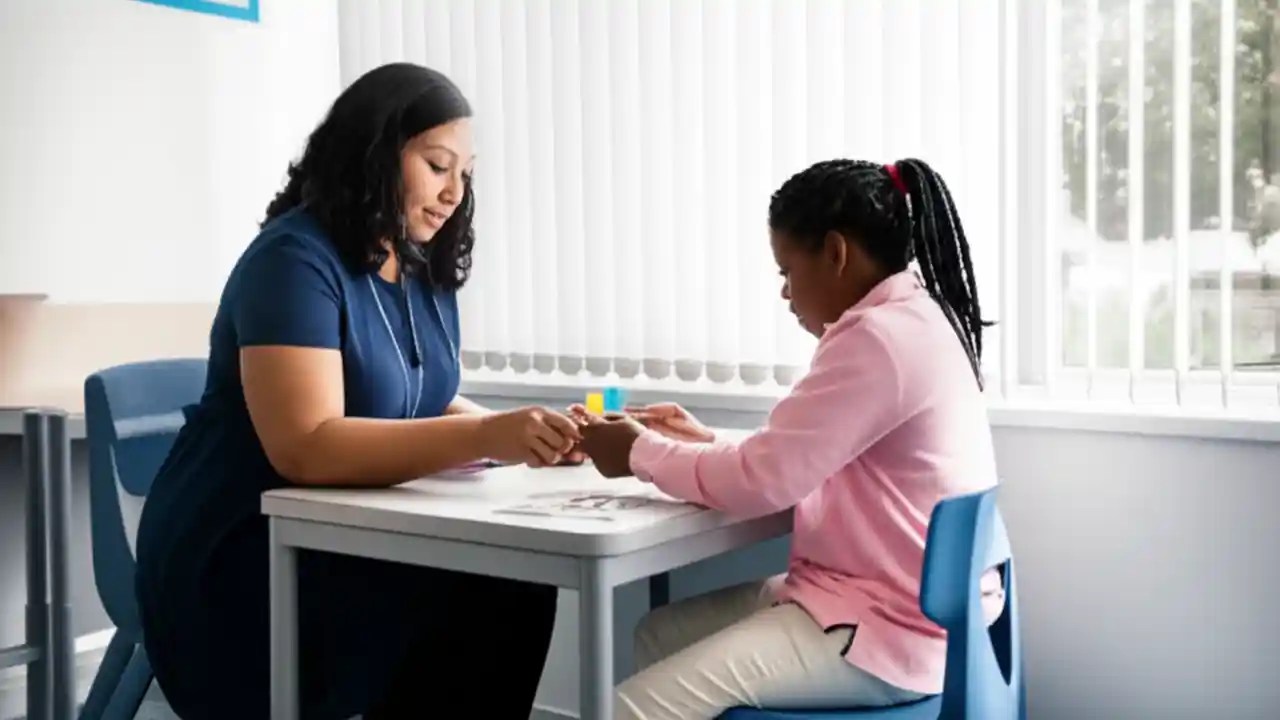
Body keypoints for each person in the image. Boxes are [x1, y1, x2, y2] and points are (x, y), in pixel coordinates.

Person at [135, 63, 580, 720]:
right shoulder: (292, 262)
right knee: (490, 587)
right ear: (374, 151)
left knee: (514, 578)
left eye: (467, 172)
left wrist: (528, 433)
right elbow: (308, 448)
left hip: (342, 532)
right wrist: (489, 436)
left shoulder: (416, 264)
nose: (456, 191)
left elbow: (416, 396)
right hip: (242, 553)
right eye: (437, 164)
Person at [578, 159, 1006, 719]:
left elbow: (767, 481)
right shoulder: (918, 318)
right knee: (661, 632)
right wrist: (703, 443)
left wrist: (637, 452)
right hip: (916, 610)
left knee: (627, 708)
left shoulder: (877, 338)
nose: (784, 292)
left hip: (888, 628)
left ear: (835, 253)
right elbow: (810, 458)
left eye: (786, 270)